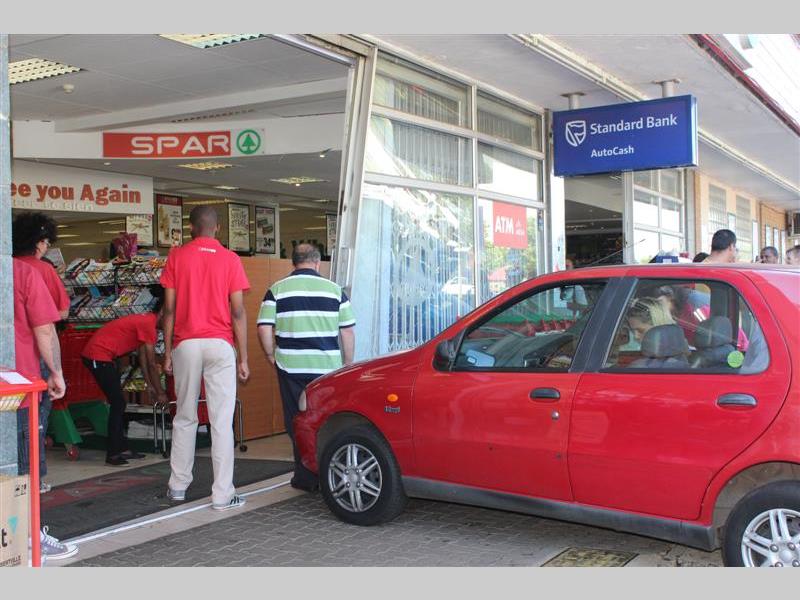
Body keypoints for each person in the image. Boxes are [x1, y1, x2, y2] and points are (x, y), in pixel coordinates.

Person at [160, 206, 250, 511]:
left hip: (185, 343)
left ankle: (178, 486)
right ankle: (223, 494)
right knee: (221, 421)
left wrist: (167, 351)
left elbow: (169, 309)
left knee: (185, 416)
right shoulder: (231, 259)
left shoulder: (176, 257)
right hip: (220, 344)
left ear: (190, 227)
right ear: (218, 228)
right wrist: (243, 357)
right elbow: (238, 311)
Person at [257, 243, 355, 492]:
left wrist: (270, 354)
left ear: (293, 263)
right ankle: (331, 475)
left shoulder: (276, 290)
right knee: (327, 420)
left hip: (291, 366)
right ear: (317, 263)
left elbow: (264, 327)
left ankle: (305, 477)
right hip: (327, 369)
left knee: (296, 420)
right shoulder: (335, 291)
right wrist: (347, 364)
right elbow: (347, 332)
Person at [12, 258, 77, 561]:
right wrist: (56, 372)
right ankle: (28, 537)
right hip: (18, 387)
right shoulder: (24, 272)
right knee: (24, 465)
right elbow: (45, 329)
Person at [12, 212, 70, 493]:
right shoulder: (34, 271)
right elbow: (50, 323)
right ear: (39, 241)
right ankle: (31, 489)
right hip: (25, 370)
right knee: (32, 430)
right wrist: (56, 372)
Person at [81, 286, 168, 466]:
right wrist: (160, 392)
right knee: (118, 403)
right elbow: (151, 363)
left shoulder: (146, 321)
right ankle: (113, 453)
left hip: (103, 357)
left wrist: (150, 386)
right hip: (98, 355)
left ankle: (121, 448)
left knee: (119, 403)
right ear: (162, 313)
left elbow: (143, 359)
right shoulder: (148, 323)